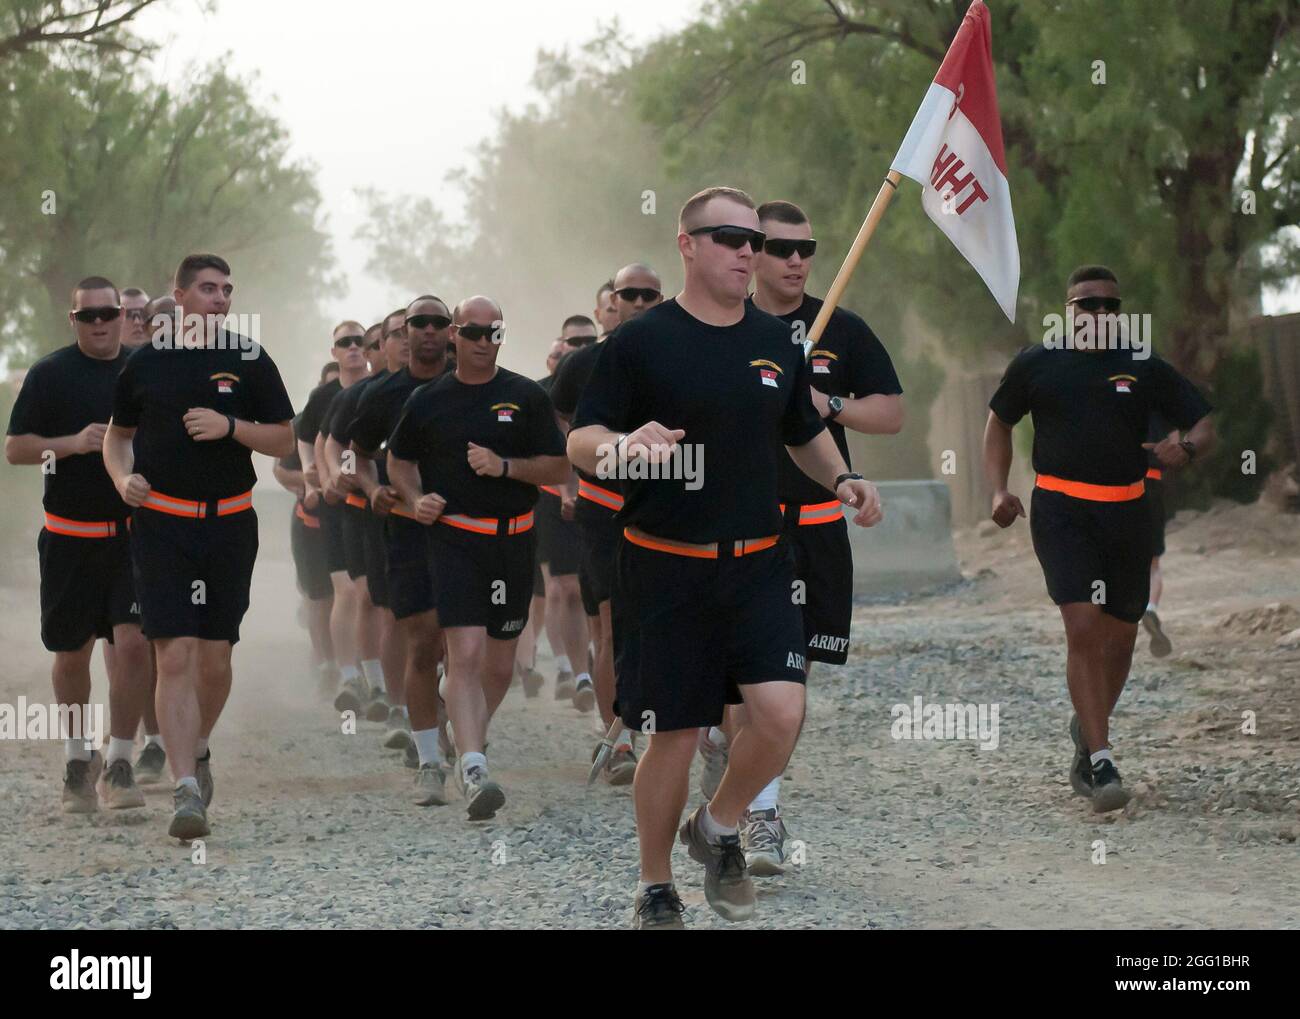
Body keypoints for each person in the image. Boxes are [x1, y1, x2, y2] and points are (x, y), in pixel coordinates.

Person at [568, 187, 882, 927]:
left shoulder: (776, 344)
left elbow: (803, 427)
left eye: (758, 241)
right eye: (731, 239)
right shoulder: (640, 343)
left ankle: (716, 826)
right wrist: (619, 447)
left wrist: (843, 477)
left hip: (759, 561)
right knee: (673, 732)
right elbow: (581, 440)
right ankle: (654, 885)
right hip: (664, 563)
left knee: (781, 712)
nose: (752, 252)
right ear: (687, 244)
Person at [983, 264, 1214, 813]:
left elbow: (1203, 421)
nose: (1101, 315)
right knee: (1082, 625)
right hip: (1062, 510)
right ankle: (1102, 759)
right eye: (1089, 305)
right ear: (1069, 310)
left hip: (1129, 513)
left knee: (1121, 639)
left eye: (1111, 305)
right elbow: (998, 423)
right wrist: (997, 490)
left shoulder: (1142, 365)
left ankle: (1087, 729)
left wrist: (1190, 446)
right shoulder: (1037, 363)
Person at [729, 199, 904, 874]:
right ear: (753, 251)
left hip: (820, 526)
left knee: (790, 682)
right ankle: (759, 810)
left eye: (808, 248)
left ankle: (752, 791)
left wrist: (828, 404)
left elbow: (890, 412)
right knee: (754, 683)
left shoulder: (842, 330)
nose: (797, 260)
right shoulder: (727, 329)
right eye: (781, 248)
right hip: (743, 529)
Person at [104, 253, 295, 840]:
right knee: (175, 653)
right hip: (162, 526)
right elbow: (118, 437)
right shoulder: (145, 364)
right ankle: (186, 789)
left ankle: (200, 745)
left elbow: (286, 437)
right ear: (179, 296)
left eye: (226, 289)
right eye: (207, 288)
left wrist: (231, 427)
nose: (219, 298)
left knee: (215, 660)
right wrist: (121, 479)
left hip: (230, 524)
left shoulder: (249, 358)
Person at [388, 295, 569, 820]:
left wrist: (505, 466)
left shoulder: (524, 395)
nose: (485, 343)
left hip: (513, 540)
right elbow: (398, 463)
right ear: (453, 336)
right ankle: (473, 767)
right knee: (462, 655)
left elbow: (558, 468)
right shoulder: (427, 400)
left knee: (499, 664)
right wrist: (414, 498)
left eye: (495, 333)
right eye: (474, 333)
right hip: (455, 541)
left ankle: (465, 734)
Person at [5, 276, 152, 812]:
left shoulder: (143, 370)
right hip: (68, 537)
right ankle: (76, 757)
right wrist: (72, 444)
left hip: (131, 539)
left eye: (107, 313)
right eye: (87, 315)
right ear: (73, 320)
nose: (98, 323)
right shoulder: (49, 374)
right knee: (72, 655)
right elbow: (16, 448)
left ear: (121, 315)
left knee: (134, 645)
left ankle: (119, 761)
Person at [550, 263, 663, 784]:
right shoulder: (583, 365)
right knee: (612, 627)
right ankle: (618, 739)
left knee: (672, 624)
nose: (638, 301)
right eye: (628, 294)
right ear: (611, 302)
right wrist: (567, 482)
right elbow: (558, 421)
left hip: (667, 507)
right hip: (603, 509)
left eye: (648, 294)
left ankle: (689, 733)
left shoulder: (677, 357)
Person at [349, 298, 455, 800]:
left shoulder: (472, 384)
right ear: (405, 333)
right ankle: (430, 758)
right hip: (409, 530)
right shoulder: (383, 394)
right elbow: (357, 456)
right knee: (425, 640)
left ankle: (459, 729)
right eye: (419, 324)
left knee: (469, 648)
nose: (429, 331)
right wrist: (372, 491)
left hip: (473, 533)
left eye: (438, 323)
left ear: (451, 331)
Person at [296, 321, 373, 714]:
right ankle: (347, 674)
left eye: (361, 341)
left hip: (375, 500)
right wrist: (314, 476)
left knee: (371, 592)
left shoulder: (381, 390)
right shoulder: (324, 395)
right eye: (346, 343)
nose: (355, 348)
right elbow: (308, 437)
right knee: (343, 590)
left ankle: (373, 670)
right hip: (334, 502)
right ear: (335, 352)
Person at [537, 322, 596, 710]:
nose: (578, 349)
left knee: (584, 590)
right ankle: (568, 669)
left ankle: (586, 667)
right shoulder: (540, 394)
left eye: (588, 342)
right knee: (561, 588)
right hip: (549, 500)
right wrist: (563, 491)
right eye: (571, 343)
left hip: (596, 499)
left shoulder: (604, 382)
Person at [1141, 413, 1175, 657]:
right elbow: (1175, 451)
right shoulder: (1164, 412)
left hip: (1119, 487)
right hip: (1153, 485)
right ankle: (1150, 608)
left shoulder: (1115, 402)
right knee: (1153, 563)